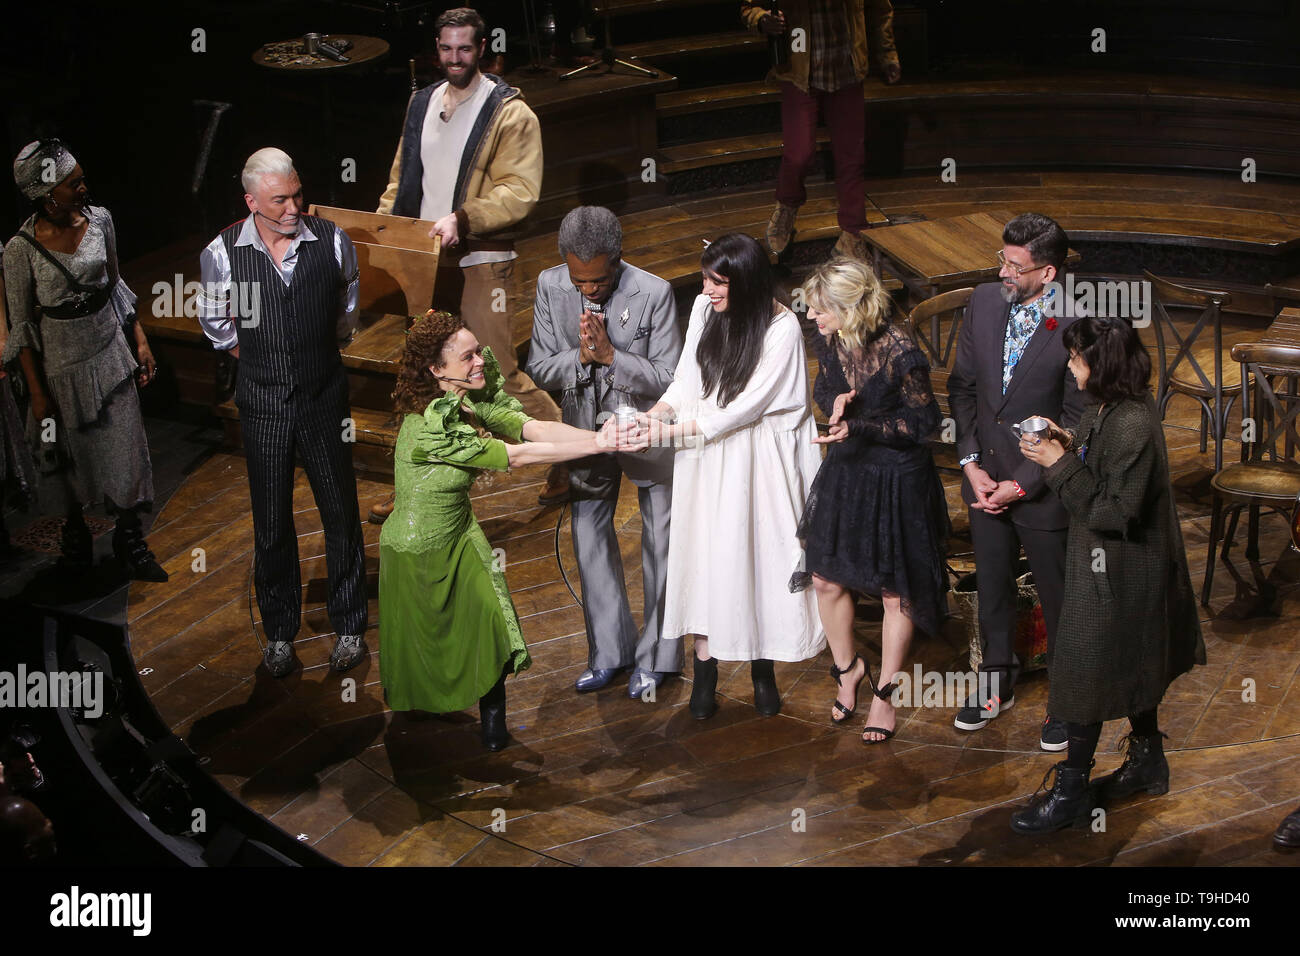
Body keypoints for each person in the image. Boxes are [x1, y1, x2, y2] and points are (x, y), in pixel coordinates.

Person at [380, 311, 639, 750]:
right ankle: (423, 711)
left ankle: (493, 717)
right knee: (424, 640)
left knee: (491, 619)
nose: (480, 360)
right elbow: (515, 456)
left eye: (478, 350)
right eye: (467, 357)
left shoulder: (468, 397)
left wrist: (598, 436)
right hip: (414, 547)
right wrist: (599, 444)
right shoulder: (428, 426)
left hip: (459, 532)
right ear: (437, 370)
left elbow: (532, 428)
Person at [1010, 315, 1205, 833]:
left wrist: (1057, 463)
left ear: (1099, 364)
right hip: (1108, 564)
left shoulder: (1133, 422)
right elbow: (1102, 462)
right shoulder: (1110, 406)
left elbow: (1114, 511)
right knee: (1134, 660)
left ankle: (1072, 788)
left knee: (1081, 671)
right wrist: (1066, 442)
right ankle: (1147, 763)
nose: (1069, 364)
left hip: (1124, 569)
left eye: (1076, 357)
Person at [375, 5, 566, 513]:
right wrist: (384, 230)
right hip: (424, 259)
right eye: (445, 48)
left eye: (464, 48)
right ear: (435, 49)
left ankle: (571, 456)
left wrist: (463, 217)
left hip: (481, 257)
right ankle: (413, 485)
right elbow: (402, 177)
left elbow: (519, 192)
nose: (454, 58)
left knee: (498, 371)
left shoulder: (510, 112)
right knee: (423, 374)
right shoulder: (421, 103)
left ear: (482, 49)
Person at [197, 147, 368, 677]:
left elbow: (346, 311)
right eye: (280, 201)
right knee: (271, 520)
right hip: (264, 402)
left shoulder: (332, 240)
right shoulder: (223, 253)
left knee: (339, 510)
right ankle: (278, 634)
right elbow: (218, 325)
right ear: (251, 202)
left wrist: (310, 355)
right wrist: (269, 358)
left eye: (297, 195)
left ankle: (349, 624)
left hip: (323, 395)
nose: (294, 208)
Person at [641, 233, 823, 719]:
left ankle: (762, 670)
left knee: (753, 560)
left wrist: (676, 432)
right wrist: (658, 413)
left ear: (746, 281)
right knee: (705, 559)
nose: (708, 289)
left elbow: (749, 407)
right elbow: (686, 378)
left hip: (751, 458)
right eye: (706, 278)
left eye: (719, 281)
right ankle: (706, 671)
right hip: (705, 458)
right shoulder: (703, 309)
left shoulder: (781, 328)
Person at [525, 207, 684, 698]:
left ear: (618, 259)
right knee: (589, 540)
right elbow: (539, 367)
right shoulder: (550, 286)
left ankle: (658, 657)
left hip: (643, 433)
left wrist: (612, 357)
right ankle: (609, 653)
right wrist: (581, 357)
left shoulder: (654, 293)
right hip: (582, 434)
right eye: (580, 280)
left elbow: (670, 378)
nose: (588, 290)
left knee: (661, 543)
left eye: (597, 280)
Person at [792, 258, 949, 742]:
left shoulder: (902, 351)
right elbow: (830, 396)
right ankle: (848, 669)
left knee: (893, 589)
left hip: (896, 477)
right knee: (825, 578)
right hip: (849, 469)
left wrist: (856, 423)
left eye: (820, 310)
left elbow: (925, 426)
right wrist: (841, 407)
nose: (813, 318)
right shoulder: (832, 339)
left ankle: (886, 695)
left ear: (850, 306)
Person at [947, 212, 1087, 751]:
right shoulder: (983, 300)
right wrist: (971, 463)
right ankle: (995, 684)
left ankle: (1068, 703)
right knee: (994, 589)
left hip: (1042, 488)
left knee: (1058, 598)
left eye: (1014, 264)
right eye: (1001, 258)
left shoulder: (1077, 323)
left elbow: (1075, 422)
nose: (1002, 270)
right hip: (984, 479)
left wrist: (1025, 484)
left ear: (1047, 273)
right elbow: (963, 389)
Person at [2, 140, 165, 581]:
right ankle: (75, 547)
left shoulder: (101, 221)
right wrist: (38, 394)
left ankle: (130, 540)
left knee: (126, 453)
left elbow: (115, 283)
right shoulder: (20, 250)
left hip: (110, 352)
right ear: (47, 192)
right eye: (74, 183)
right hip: (60, 370)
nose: (84, 187)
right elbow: (21, 328)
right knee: (70, 464)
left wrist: (141, 340)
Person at [741, 1, 901, 261]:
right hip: (800, 70)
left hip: (847, 69)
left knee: (852, 158)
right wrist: (762, 20)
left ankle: (854, 231)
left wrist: (887, 54)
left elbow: (879, 9)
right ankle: (788, 204)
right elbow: (751, 8)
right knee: (799, 154)